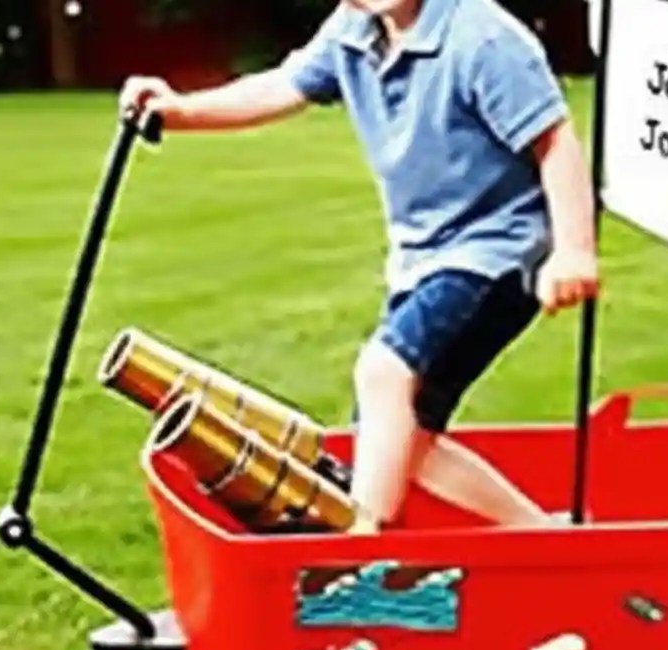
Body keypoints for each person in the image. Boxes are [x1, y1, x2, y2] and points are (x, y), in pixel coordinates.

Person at [120, 0, 599, 533]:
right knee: (400, 435)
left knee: (384, 372)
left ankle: (357, 548)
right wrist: (180, 111)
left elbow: (555, 142)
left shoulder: (483, 39)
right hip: (423, 260)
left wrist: (574, 250)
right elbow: (280, 86)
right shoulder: (355, 32)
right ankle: (541, 533)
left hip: (497, 254)